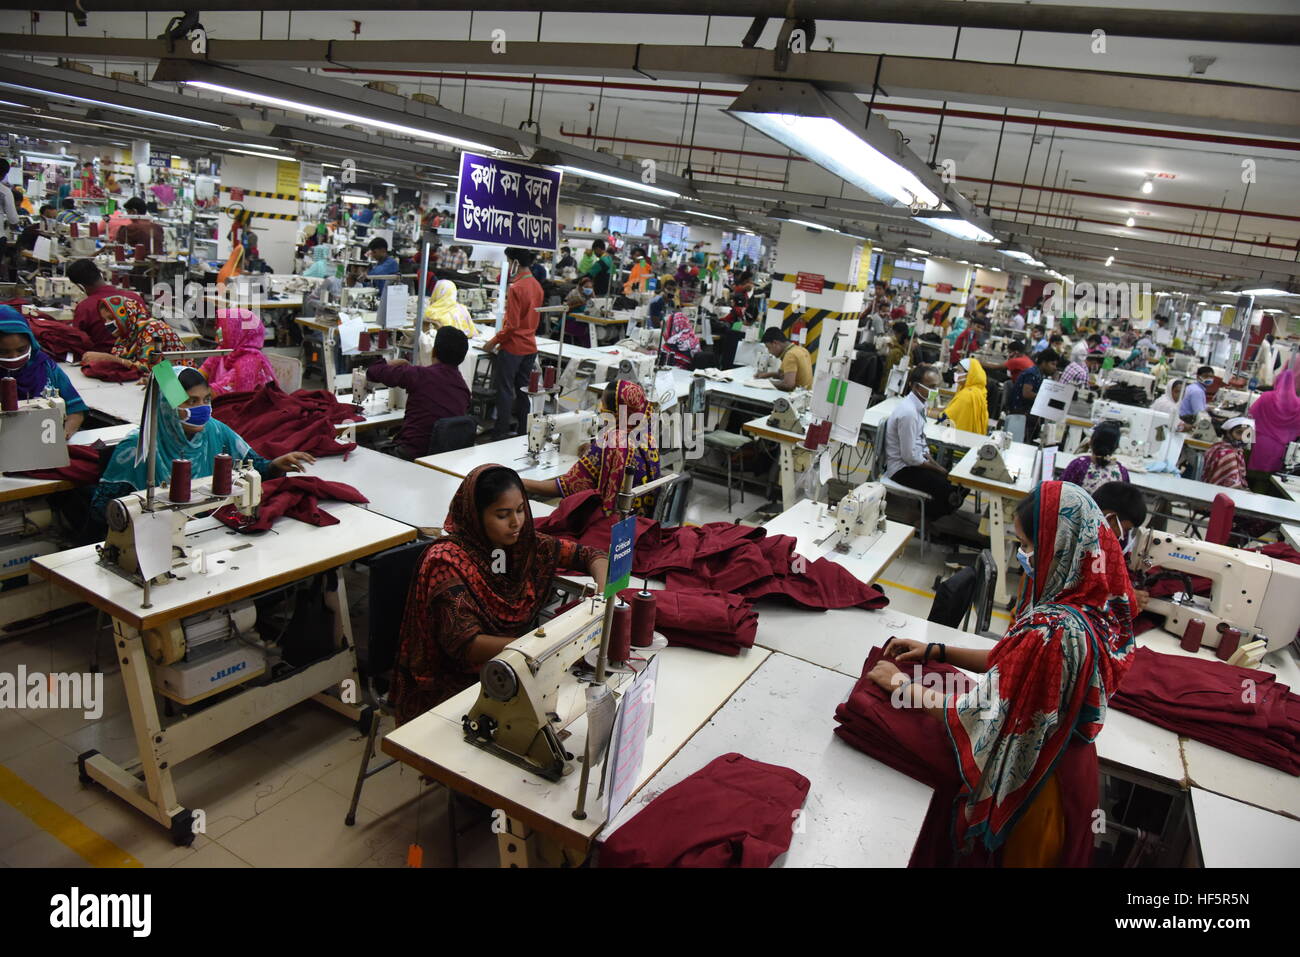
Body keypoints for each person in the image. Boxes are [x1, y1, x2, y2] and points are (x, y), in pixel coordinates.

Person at [867, 481, 1135, 866]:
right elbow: (1012, 661)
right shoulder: (1091, 605)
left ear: (1061, 546)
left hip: (1038, 789)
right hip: (1070, 770)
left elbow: (978, 715)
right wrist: (936, 651)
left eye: (1028, 546)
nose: (1022, 556)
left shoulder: (1054, 631)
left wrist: (901, 686)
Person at [390, 465, 609, 723]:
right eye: (503, 515)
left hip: (511, 665)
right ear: (476, 515)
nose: (516, 523)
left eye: (520, 510)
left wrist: (603, 598)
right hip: (452, 686)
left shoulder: (525, 545)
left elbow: (592, 556)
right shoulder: (446, 561)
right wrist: (543, 647)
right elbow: (465, 645)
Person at [91, 366, 316, 523]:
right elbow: (103, 510)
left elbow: (256, 467)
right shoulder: (137, 448)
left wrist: (277, 464)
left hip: (209, 525)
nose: (202, 408)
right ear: (168, 405)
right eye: (191, 401)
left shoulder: (215, 430)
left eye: (206, 400)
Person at [521, 380, 661, 515]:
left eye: (603, 406)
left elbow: (562, 488)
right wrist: (596, 452)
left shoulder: (610, 444)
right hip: (640, 522)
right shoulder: (646, 437)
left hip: (608, 526)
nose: (600, 409)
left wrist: (518, 481)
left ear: (615, 413)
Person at [366, 327, 471, 460]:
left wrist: (392, 363)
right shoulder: (464, 389)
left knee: (359, 450)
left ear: (434, 351)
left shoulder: (419, 375)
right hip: (440, 460)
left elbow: (372, 372)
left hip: (410, 455)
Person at [882, 365, 962, 520]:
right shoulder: (908, 413)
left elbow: (921, 441)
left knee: (959, 485)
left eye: (937, 386)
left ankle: (922, 513)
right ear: (915, 386)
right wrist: (937, 468)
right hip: (902, 469)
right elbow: (909, 457)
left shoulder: (921, 406)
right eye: (932, 387)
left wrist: (934, 463)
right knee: (950, 492)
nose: (935, 391)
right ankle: (920, 517)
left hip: (914, 463)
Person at [483, 247, 542, 440]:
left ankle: (500, 433)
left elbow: (513, 325)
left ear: (515, 262)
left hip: (513, 347)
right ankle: (523, 432)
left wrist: (493, 342)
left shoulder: (516, 287)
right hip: (530, 346)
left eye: (508, 262)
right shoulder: (536, 286)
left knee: (505, 390)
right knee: (523, 390)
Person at [0, 306, 86, 437]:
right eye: (3, 352)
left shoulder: (45, 365)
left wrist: (63, 435)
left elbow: (76, 410)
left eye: (22, 349)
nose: (14, 357)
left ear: (31, 343)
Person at [81, 295, 189, 372]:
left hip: (180, 385)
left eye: (111, 318)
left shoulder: (153, 329)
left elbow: (151, 369)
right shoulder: (125, 337)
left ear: (127, 315)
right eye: (105, 320)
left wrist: (109, 358)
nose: (107, 324)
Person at [66, 258, 144, 352]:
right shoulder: (135, 298)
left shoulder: (85, 307)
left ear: (80, 286)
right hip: (138, 357)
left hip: (104, 360)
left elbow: (77, 341)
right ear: (100, 274)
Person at [199, 308, 276, 396]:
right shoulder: (224, 350)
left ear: (237, 330)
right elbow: (204, 370)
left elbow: (220, 391)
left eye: (224, 327)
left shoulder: (249, 363)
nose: (218, 330)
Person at [1247, 370, 1300, 474]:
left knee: (1254, 473)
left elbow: (1251, 415)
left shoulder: (1266, 396)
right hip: (1283, 446)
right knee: (1271, 475)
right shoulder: (1298, 404)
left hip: (1261, 441)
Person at [1061, 421, 1129, 493]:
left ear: (1091, 442)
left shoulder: (1079, 465)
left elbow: (1060, 491)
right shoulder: (1122, 472)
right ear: (1116, 447)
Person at [756, 327, 812, 392]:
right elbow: (782, 374)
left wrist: (765, 383)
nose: (769, 352)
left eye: (769, 348)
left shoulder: (790, 355)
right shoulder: (802, 350)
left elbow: (788, 385)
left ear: (775, 343)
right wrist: (766, 375)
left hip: (796, 398)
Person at [1203, 417, 1253, 489]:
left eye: (1247, 434)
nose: (1242, 438)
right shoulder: (1229, 455)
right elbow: (1233, 487)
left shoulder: (1218, 446)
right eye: (1239, 432)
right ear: (1228, 433)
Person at [942, 357, 988, 434]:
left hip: (960, 438)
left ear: (969, 374)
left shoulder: (967, 395)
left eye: (959, 371)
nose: (955, 373)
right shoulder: (979, 390)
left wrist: (927, 412)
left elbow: (946, 418)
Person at [879, 320, 912, 393]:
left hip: (893, 386)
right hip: (890, 388)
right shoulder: (896, 352)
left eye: (894, 333)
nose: (893, 335)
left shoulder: (903, 351)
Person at [563, 274, 596, 345]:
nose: (589, 289)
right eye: (586, 287)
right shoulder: (574, 294)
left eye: (591, 287)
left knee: (593, 328)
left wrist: (593, 296)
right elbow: (564, 308)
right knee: (588, 331)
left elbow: (594, 306)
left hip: (583, 320)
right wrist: (579, 304)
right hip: (569, 321)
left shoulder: (589, 296)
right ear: (581, 287)